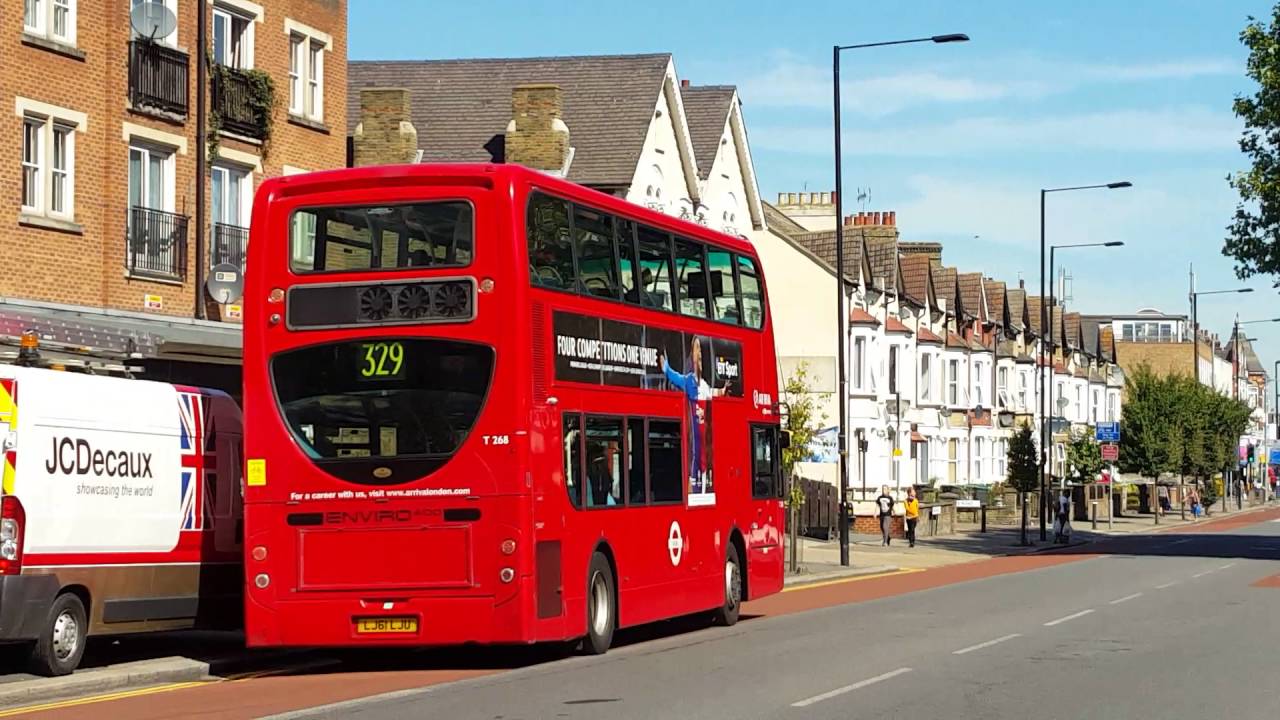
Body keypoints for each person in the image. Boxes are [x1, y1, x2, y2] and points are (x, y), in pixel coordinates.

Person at [660, 337, 725, 496]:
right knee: (695, 458)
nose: (700, 353)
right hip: (693, 433)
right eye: (697, 349)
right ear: (692, 355)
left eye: (701, 349)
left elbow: (712, 393)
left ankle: (703, 490)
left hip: (704, 434)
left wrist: (722, 390)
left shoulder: (703, 384)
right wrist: (666, 368)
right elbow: (676, 377)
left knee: (705, 459)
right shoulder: (688, 381)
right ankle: (695, 489)